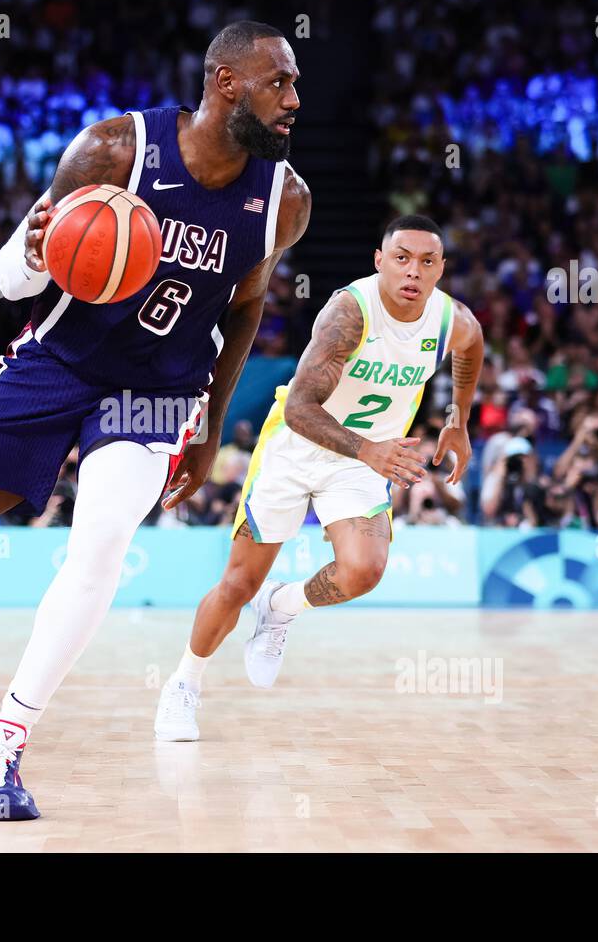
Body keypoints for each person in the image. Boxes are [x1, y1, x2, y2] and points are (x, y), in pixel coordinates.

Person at [0, 21, 311, 820]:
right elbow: (11, 277)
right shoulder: (114, 151)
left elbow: (248, 306)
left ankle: (1, 741)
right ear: (226, 83)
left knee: (102, 544)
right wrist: (37, 248)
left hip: (157, 393)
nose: (294, 102)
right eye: (279, 83)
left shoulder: (282, 200)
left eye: (293, 86)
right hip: (58, 365)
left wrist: (213, 423)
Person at [153, 215, 484, 741]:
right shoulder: (348, 313)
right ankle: (183, 685)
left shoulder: (451, 320)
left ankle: (281, 607)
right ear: (379, 261)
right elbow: (300, 408)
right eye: (401, 258)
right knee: (238, 584)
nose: (413, 271)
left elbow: (472, 347)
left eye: (426, 261)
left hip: (362, 459)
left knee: (364, 572)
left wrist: (458, 421)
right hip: (298, 446)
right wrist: (368, 448)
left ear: (441, 269)